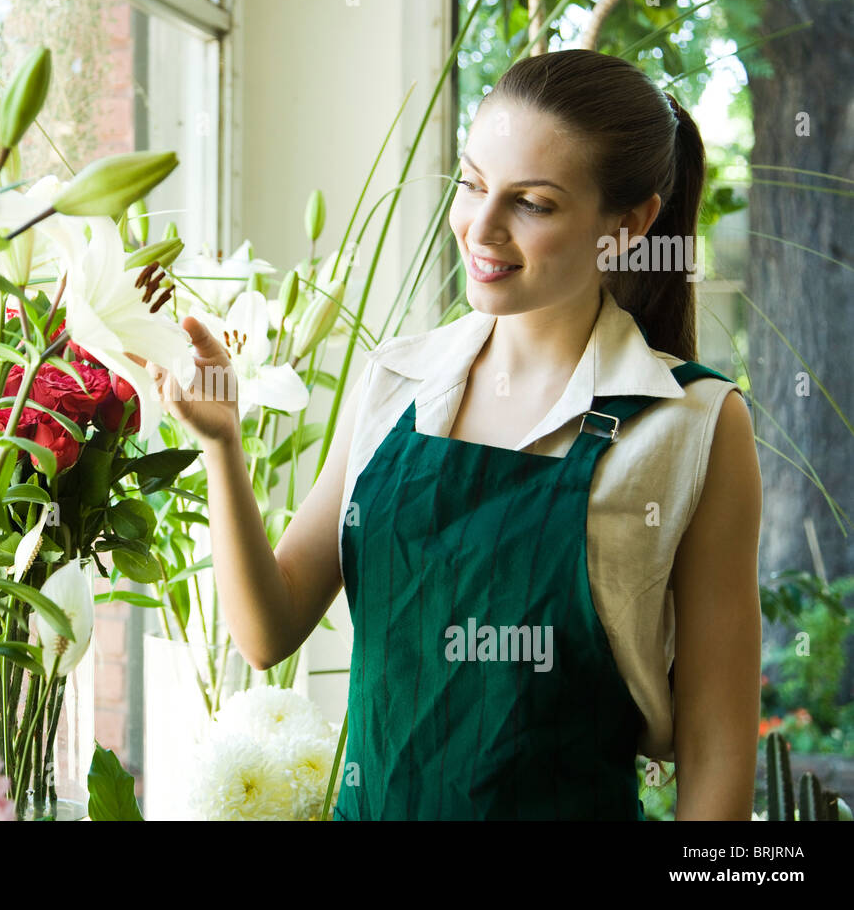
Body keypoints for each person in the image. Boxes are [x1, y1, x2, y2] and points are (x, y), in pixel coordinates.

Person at [142, 50, 763, 820]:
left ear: (628, 226)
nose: (483, 227)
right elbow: (267, 631)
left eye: (532, 202)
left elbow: (717, 748)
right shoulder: (394, 382)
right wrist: (220, 442)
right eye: (472, 184)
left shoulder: (692, 421)